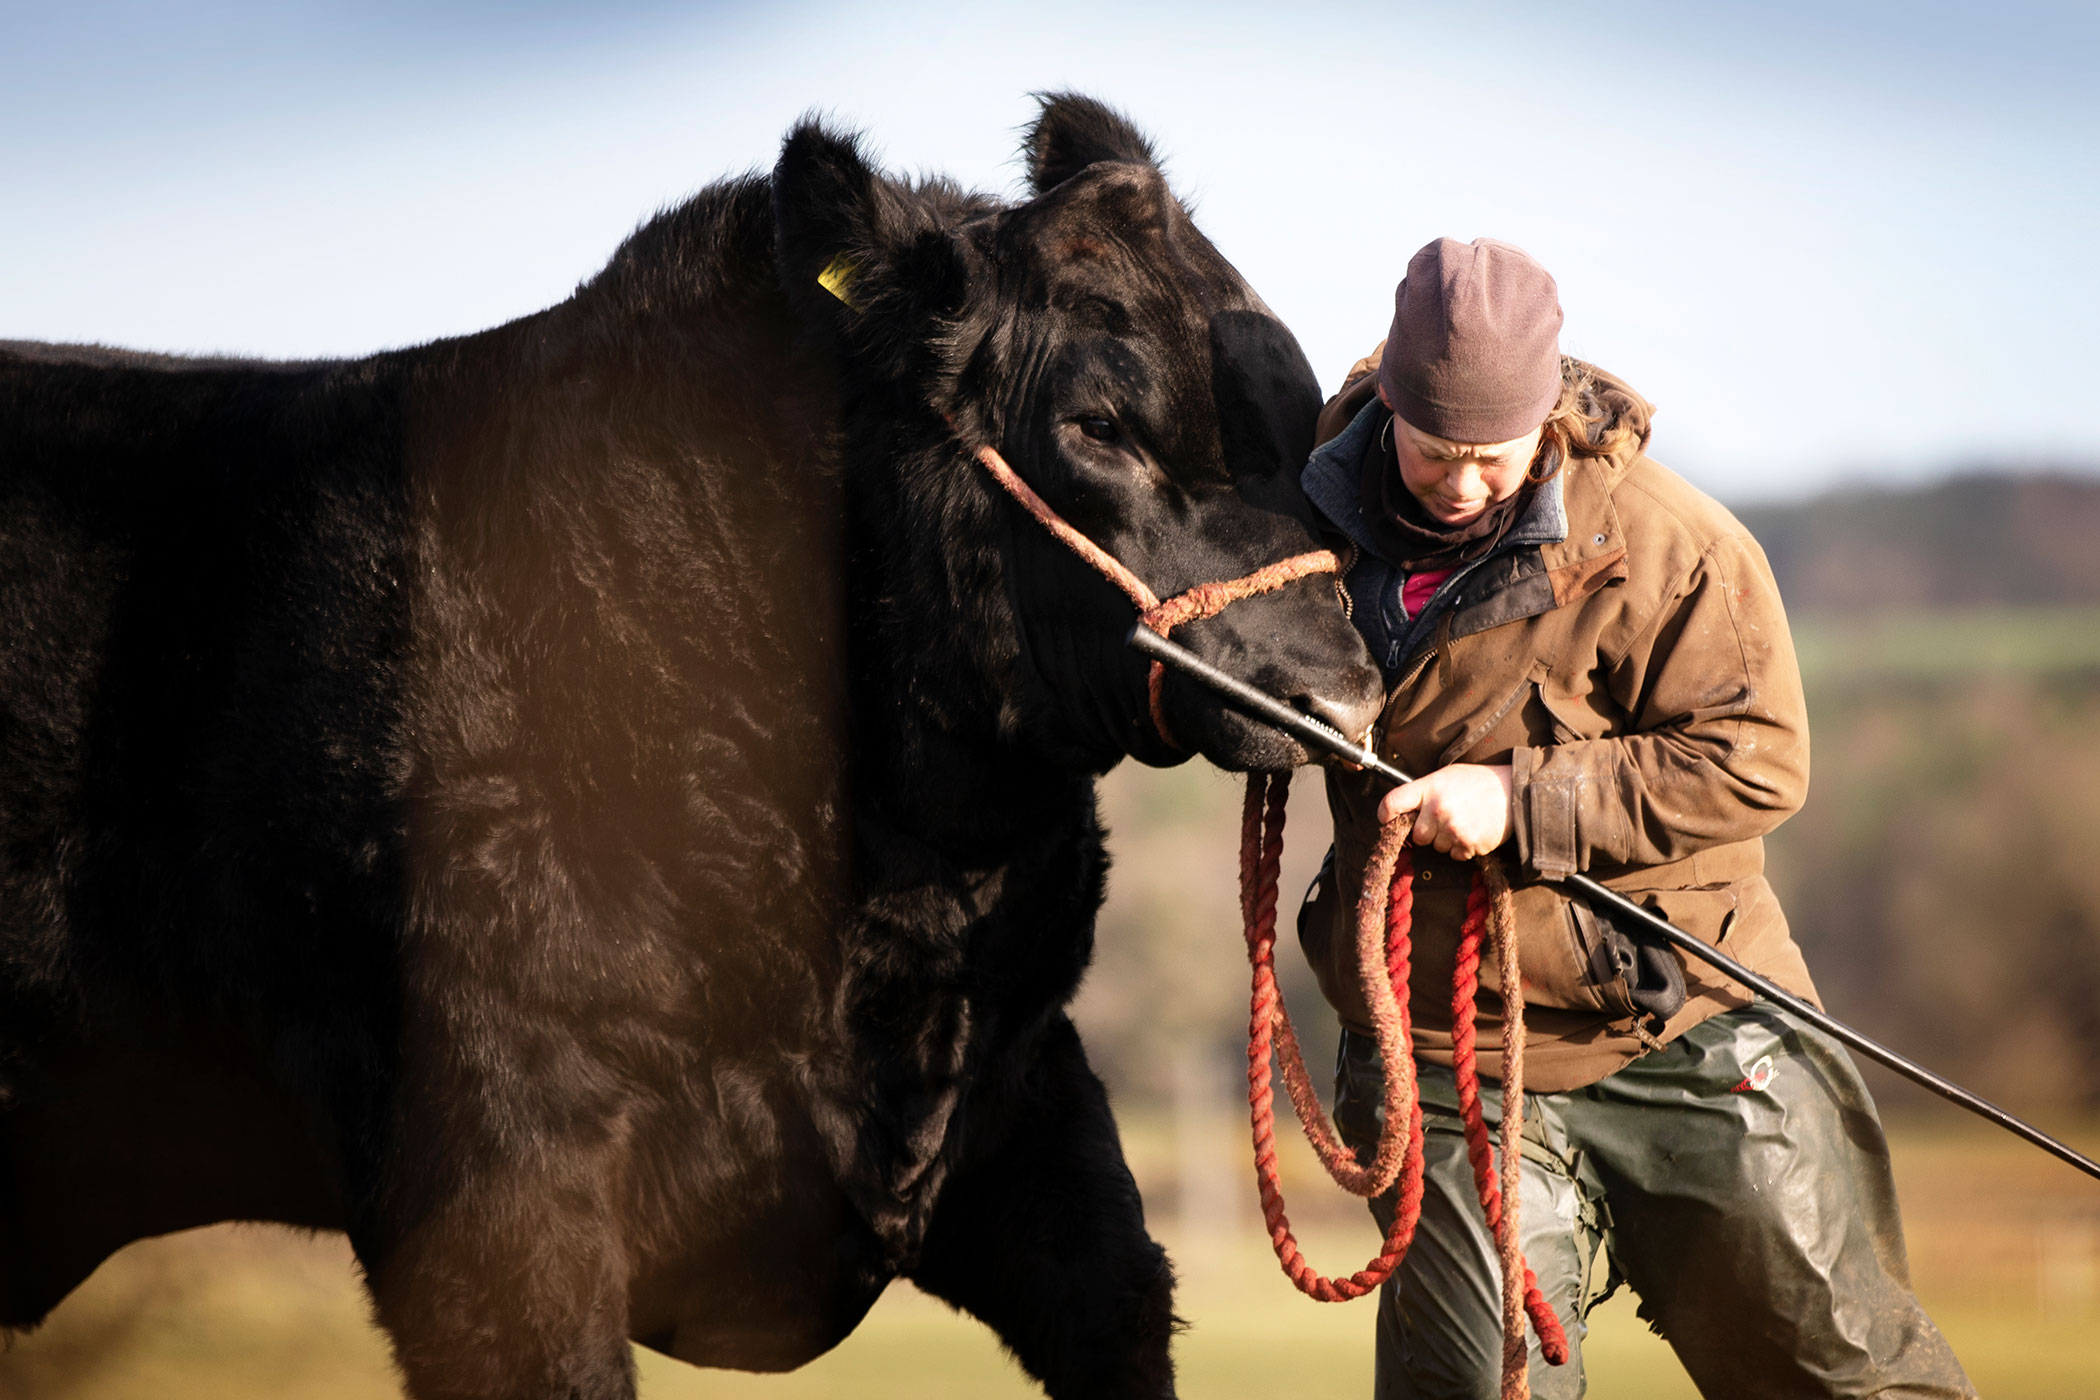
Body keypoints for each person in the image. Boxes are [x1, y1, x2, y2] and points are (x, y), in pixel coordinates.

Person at [1294, 236, 1974, 1399]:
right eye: (1433, 449)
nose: (1461, 483)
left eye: (1491, 457)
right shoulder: (1292, 510)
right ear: (1388, 403)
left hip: (1691, 1020)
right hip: (1455, 1054)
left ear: (1550, 412)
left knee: (1852, 1379)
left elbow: (1757, 761)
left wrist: (1519, 798)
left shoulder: (1679, 546)